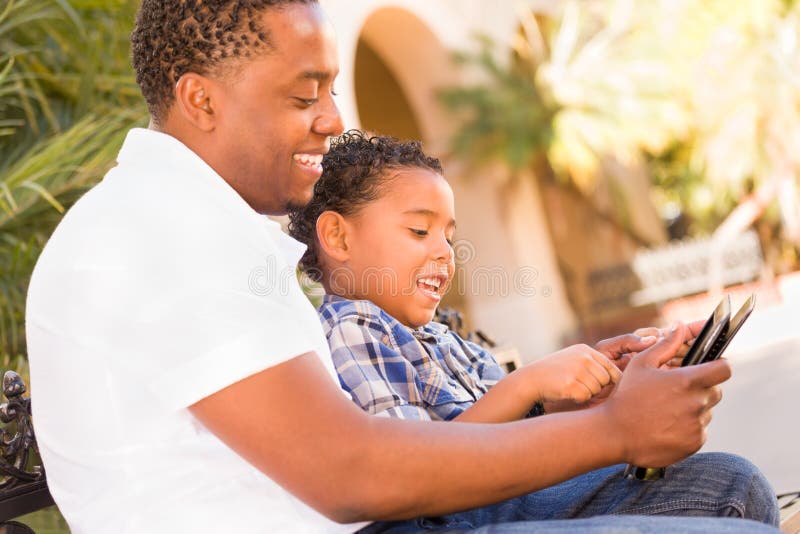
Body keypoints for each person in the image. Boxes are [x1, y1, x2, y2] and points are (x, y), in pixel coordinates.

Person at [24, 1, 778, 533]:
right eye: (303, 94)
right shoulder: (155, 235)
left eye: (330, 90)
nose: (332, 119)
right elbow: (353, 472)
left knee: (727, 490)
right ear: (201, 100)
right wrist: (616, 430)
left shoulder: (201, 226)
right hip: (372, 521)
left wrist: (593, 400)